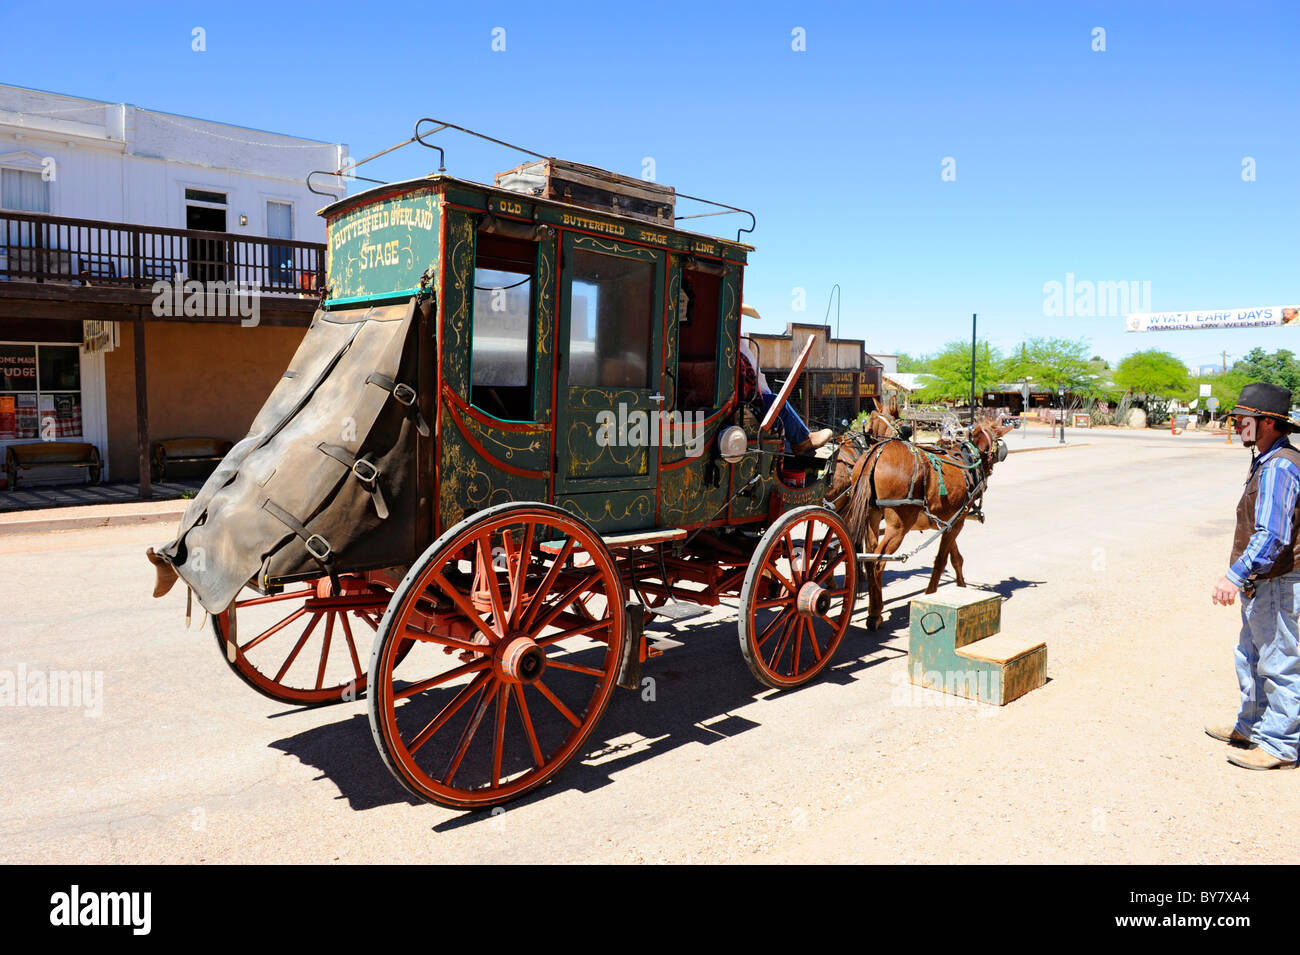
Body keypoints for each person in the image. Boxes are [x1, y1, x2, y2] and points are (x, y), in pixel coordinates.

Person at [1207, 382, 1300, 769]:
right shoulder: (1267, 458)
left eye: (1243, 418)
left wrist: (1234, 575)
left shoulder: (1280, 465)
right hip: (1264, 581)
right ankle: (1251, 727)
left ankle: (1280, 746)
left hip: (1277, 580)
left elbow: (1272, 535)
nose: (1236, 424)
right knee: (1251, 655)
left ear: (1266, 424)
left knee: (1279, 660)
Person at [738, 307, 832, 454]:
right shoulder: (736, 343)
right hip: (749, 402)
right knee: (775, 402)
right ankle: (802, 440)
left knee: (774, 402)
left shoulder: (737, 341)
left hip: (750, 398)